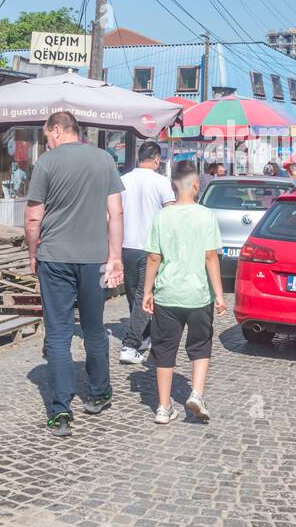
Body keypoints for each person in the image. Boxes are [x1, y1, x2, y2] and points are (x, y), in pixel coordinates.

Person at [25, 111, 125, 437]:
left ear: (58, 129)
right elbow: (116, 213)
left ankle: (61, 411)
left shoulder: (46, 163)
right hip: (95, 259)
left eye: (47, 136)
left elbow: (32, 219)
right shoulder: (104, 160)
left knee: (58, 334)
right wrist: (115, 258)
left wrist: (32, 254)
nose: (47, 142)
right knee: (95, 329)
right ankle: (98, 393)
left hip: (54, 258)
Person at [141, 161, 226, 424]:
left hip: (167, 294)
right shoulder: (206, 215)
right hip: (198, 295)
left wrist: (147, 291)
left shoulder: (162, 216)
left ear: (172, 186)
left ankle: (163, 408)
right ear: (197, 185)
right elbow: (211, 256)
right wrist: (220, 296)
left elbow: (154, 258)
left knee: (164, 350)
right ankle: (197, 394)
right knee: (201, 345)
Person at [117, 141, 175, 366]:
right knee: (144, 296)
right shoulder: (161, 182)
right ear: (157, 159)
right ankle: (130, 345)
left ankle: (143, 336)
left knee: (134, 295)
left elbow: (112, 214)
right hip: (151, 249)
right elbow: (170, 215)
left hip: (127, 247)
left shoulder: (123, 180)